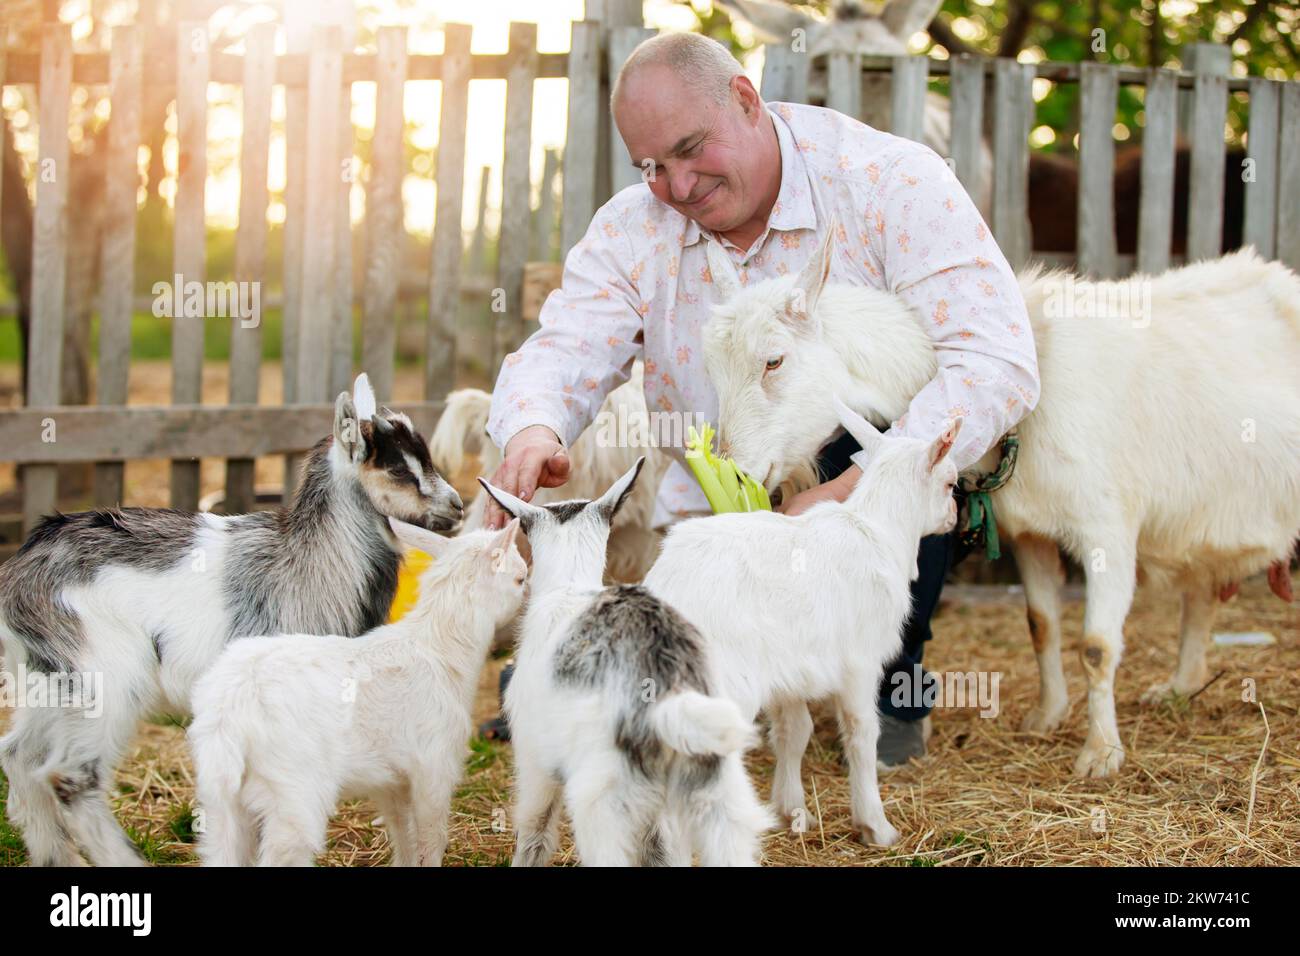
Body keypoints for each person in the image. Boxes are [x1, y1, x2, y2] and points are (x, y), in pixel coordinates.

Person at [480, 31, 1039, 767]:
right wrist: (530, 431)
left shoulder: (890, 182)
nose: (677, 187)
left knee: (877, 423)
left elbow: (996, 355)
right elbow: (564, 348)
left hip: (858, 486)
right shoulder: (632, 228)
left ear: (745, 100)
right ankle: (623, 673)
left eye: (689, 149)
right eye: (652, 167)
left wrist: (851, 487)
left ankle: (890, 674)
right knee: (677, 673)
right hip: (707, 531)